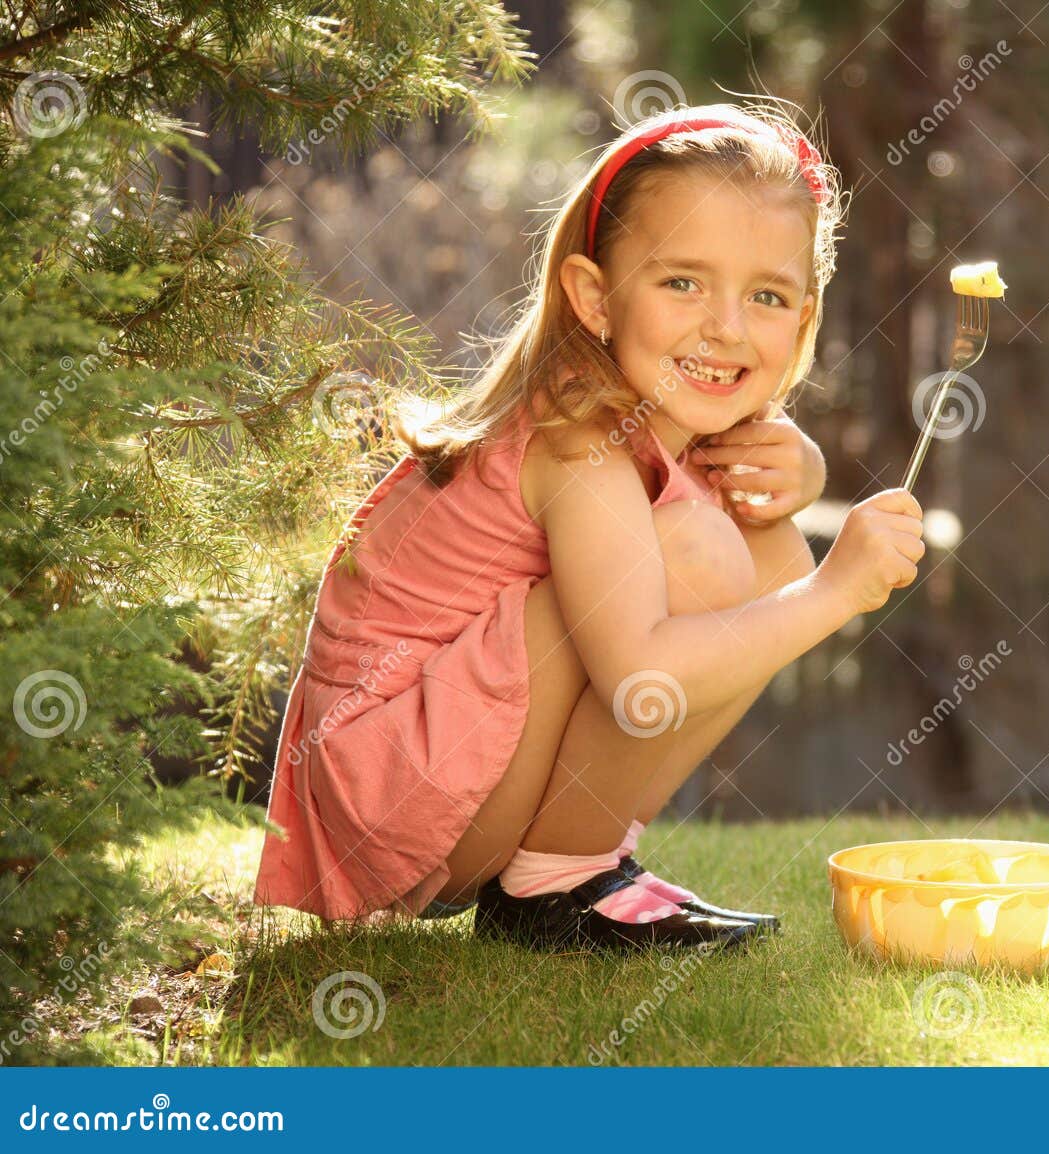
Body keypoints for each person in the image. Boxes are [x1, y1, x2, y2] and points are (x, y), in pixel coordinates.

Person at [252, 102, 926, 953]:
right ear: (596, 298)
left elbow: (758, 541)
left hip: (438, 769)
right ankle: (558, 881)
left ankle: (580, 862)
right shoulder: (579, 443)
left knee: (765, 545)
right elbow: (638, 669)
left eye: (767, 295)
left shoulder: (643, 422)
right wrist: (833, 593)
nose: (726, 324)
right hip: (385, 787)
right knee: (707, 550)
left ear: (803, 321)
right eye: (682, 282)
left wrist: (803, 476)